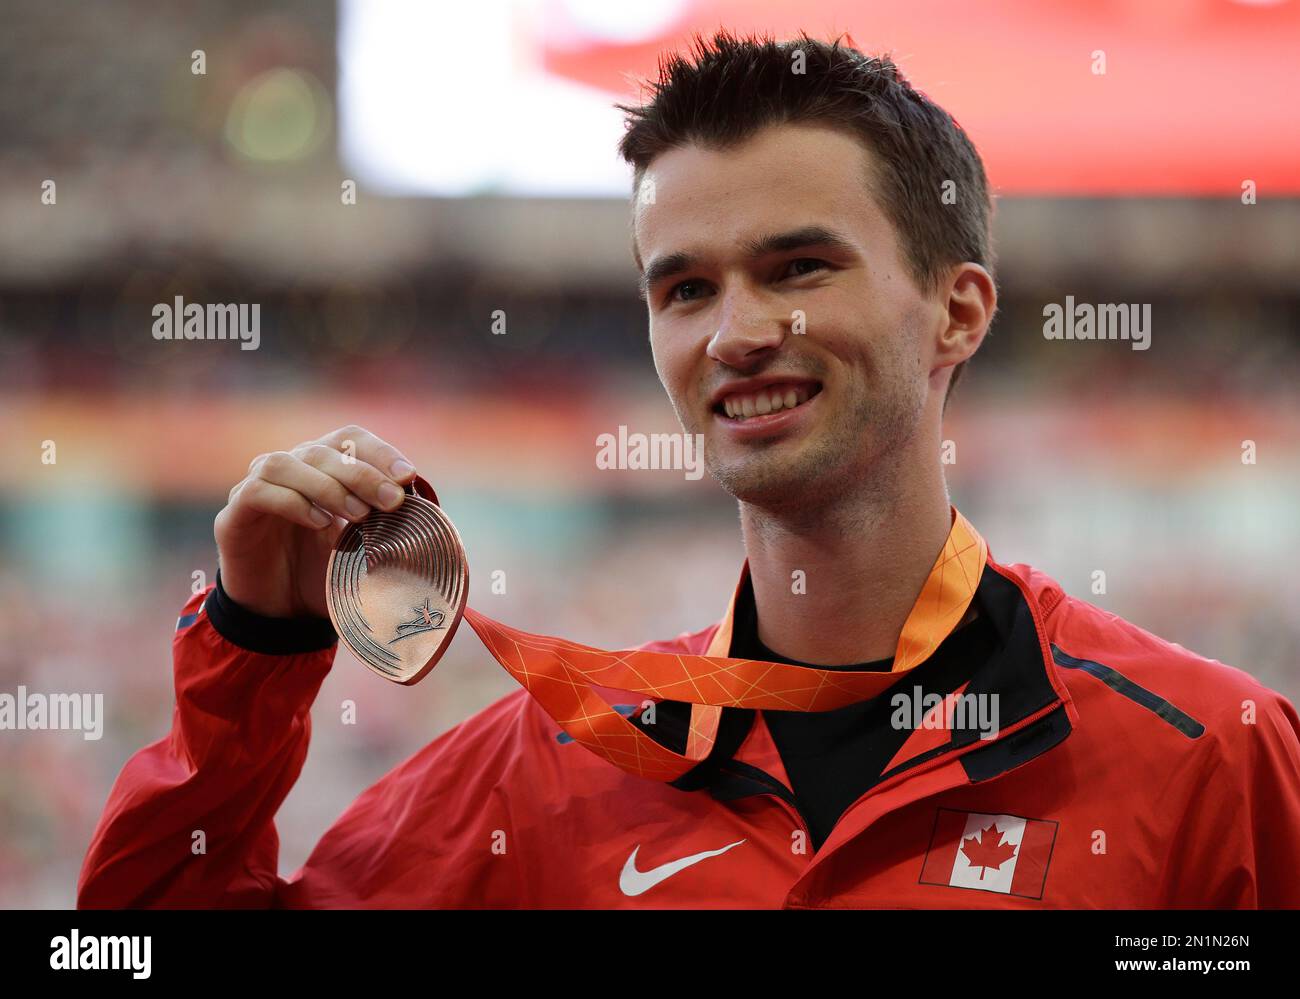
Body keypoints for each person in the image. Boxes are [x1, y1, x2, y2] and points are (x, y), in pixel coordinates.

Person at [78, 31, 1300, 909]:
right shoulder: (544, 769)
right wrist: (253, 656)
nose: (734, 332)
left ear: (958, 312)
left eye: (799, 267)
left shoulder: (1208, 753)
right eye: (685, 288)